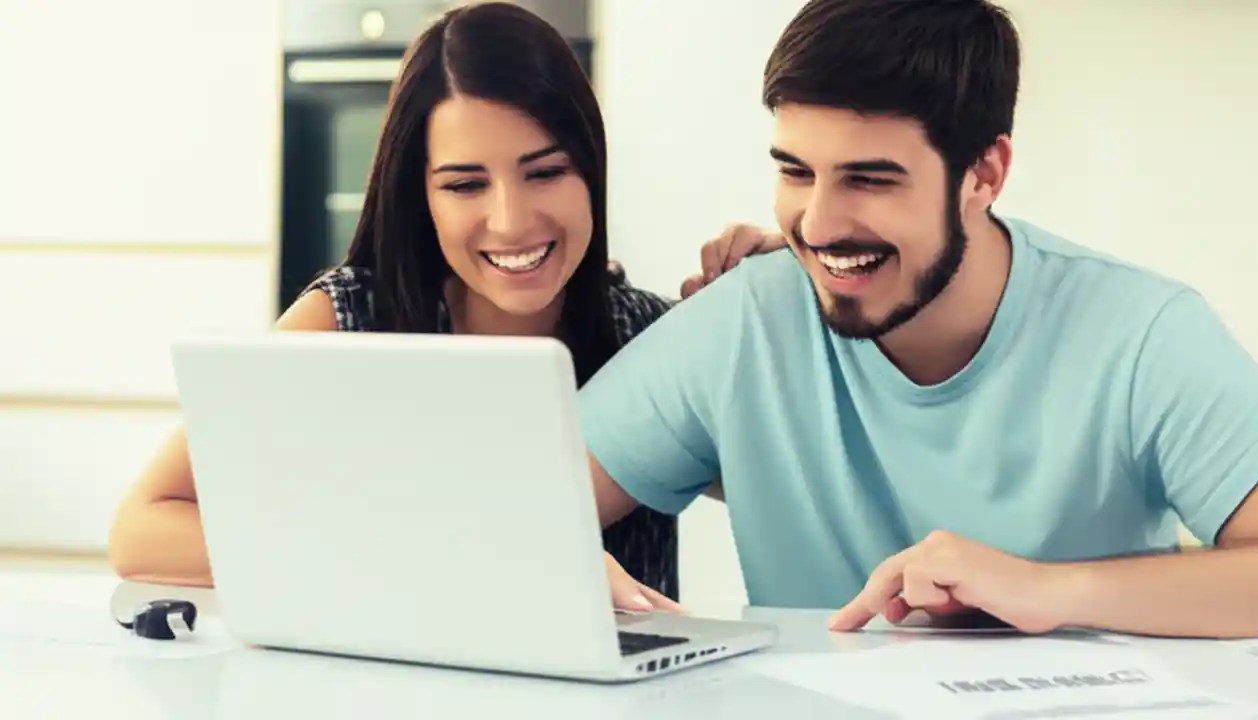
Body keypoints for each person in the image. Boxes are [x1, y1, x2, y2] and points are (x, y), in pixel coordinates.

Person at [587, 0, 1258, 638]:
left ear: (985, 174)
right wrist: (565, 571)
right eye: (797, 173)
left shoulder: (1141, 334)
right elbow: (503, 505)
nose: (819, 223)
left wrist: (1053, 592)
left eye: (870, 179)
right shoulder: (743, 321)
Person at [106, 2, 783, 596]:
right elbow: (145, 529)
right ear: (420, 194)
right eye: (465, 185)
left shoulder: (650, 337)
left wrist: (793, 308)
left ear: (590, 170)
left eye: (545, 172)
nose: (512, 220)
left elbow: (790, 485)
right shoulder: (346, 325)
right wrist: (430, 562)